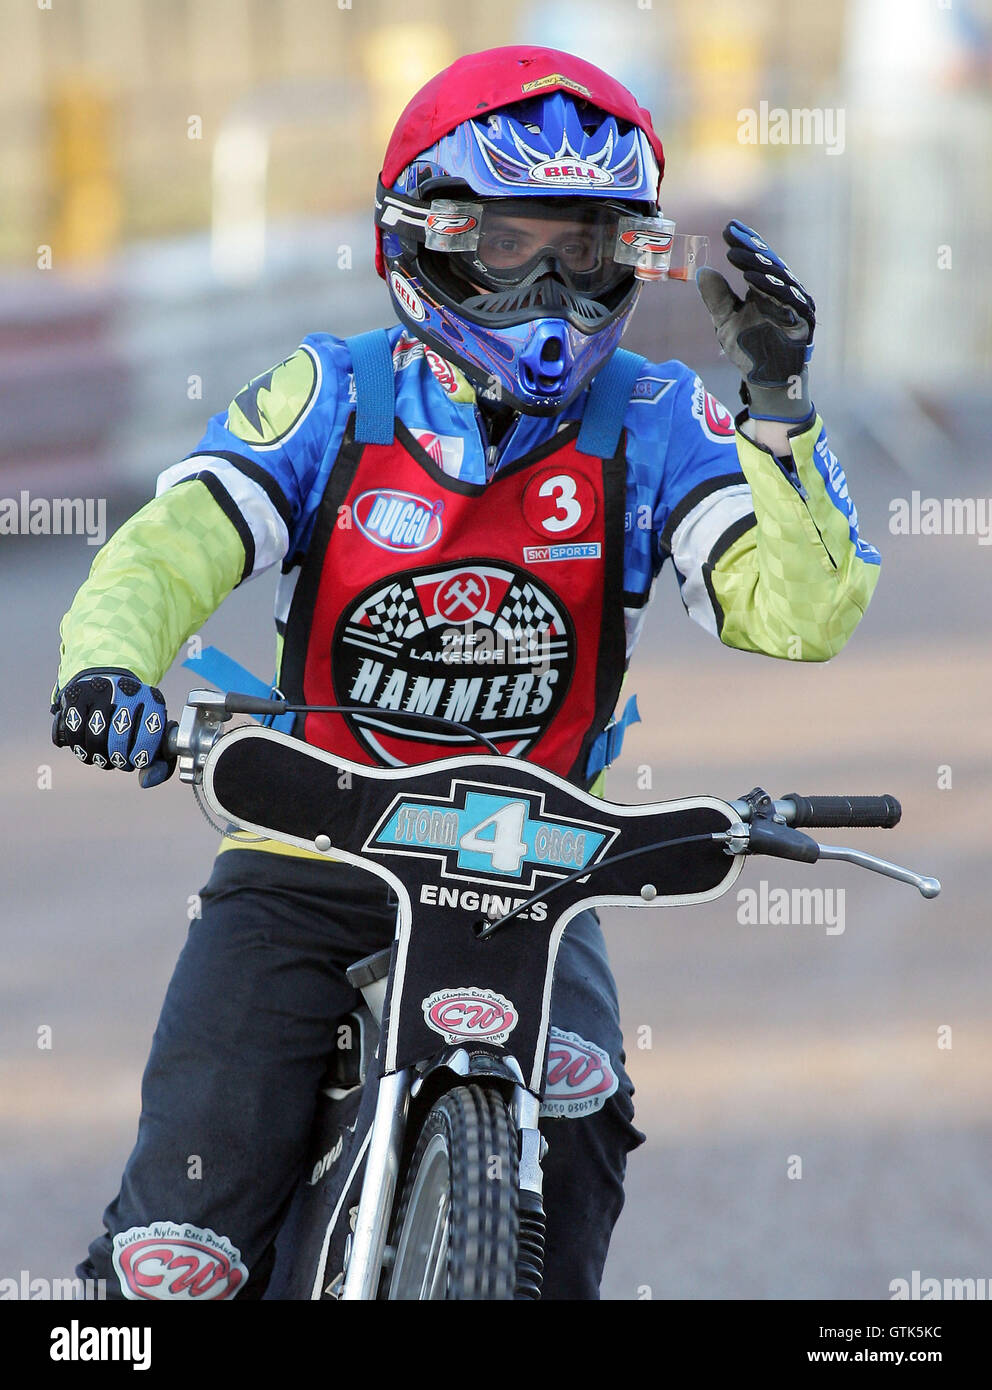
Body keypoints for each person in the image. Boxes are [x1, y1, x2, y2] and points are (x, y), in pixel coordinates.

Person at [51, 45, 881, 1301]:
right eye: (508, 247)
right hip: (307, 851)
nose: (549, 287)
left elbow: (797, 618)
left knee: (583, 1104)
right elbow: (172, 545)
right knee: (176, 1253)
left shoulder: (659, 416)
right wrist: (110, 668)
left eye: (587, 252)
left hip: (533, 864)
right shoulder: (331, 393)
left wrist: (777, 400)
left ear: (632, 259)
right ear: (422, 237)